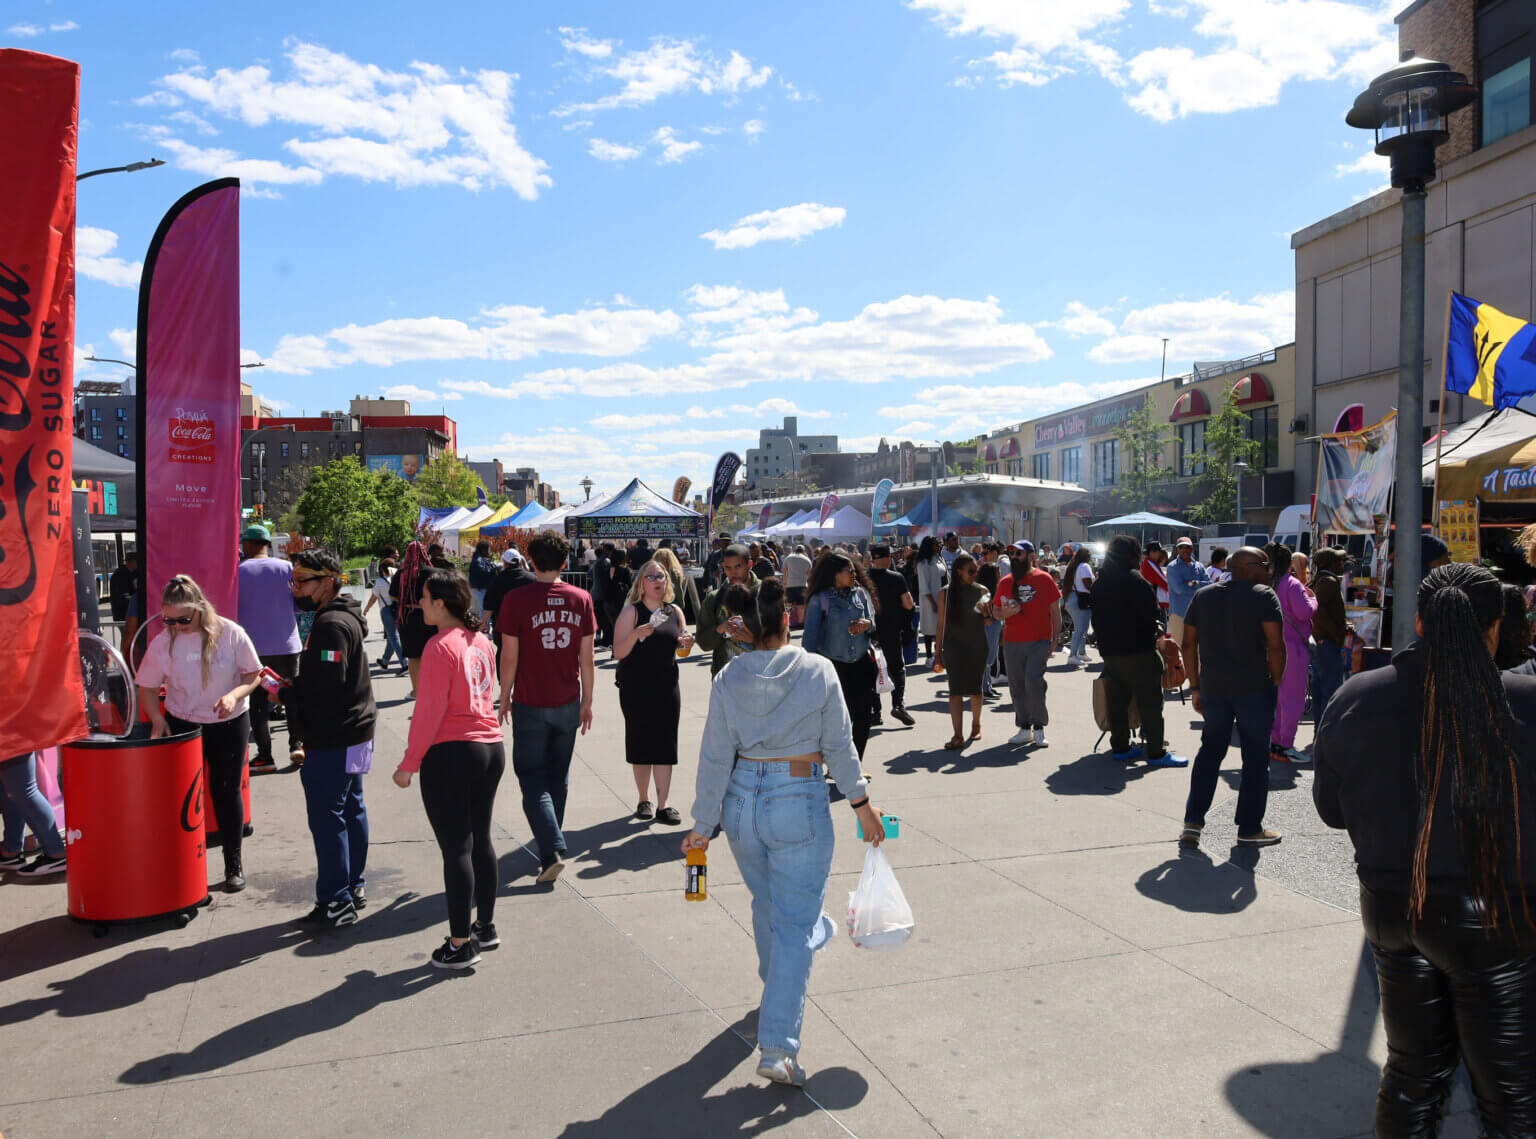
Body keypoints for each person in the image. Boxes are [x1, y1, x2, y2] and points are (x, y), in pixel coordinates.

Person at [1313, 563, 1536, 1135]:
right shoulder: (1524, 701)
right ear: (1496, 627)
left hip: (1389, 909)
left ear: (1417, 620)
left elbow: (1332, 811)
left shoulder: (1355, 696)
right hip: (1495, 916)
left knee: (1413, 1075)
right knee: (1512, 1097)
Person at [684, 579, 886, 1087]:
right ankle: (778, 1045)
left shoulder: (729, 677)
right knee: (796, 922)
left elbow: (714, 757)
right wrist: (861, 804)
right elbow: (840, 745)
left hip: (740, 801)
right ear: (786, 620)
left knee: (766, 905)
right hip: (797, 795)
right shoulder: (816, 670)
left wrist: (702, 825)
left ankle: (774, 989)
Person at [392, 570, 505, 971]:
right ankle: (485, 926)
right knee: (481, 840)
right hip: (490, 747)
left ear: (441, 602)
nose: (418, 604)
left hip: (454, 751)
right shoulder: (482, 642)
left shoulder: (440, 646)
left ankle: (459, 943)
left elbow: (429, 709)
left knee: (457, 847)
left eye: (423, 598)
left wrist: (410, 762)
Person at [137, 574, 263, 891]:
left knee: (226, 790)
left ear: (199, 608)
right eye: (168, 619)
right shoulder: (164, 641)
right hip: (183, 723)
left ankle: (233, 863)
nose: (175, 625)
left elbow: (253, 674)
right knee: (181, 795)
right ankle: (183, 868)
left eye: (182, 619)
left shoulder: (230, 633)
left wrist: (235, 695)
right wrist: (156, 719)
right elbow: (147, 687)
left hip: (229, 722)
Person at [282, 549, 377, 927]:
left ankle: (337, 900)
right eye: (294, 580)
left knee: (329, 816)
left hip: (335, 734)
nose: (296, 588)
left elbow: (326, 682)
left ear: (328, 580)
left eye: (302, 580)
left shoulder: (331, 624)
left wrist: (286, 691)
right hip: (354, 729)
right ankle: (351, 886)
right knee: (351, 807)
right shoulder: (341, 616)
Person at [497, 532, 596, 884]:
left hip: (531, 700)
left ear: (530, 560)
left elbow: (510, 656)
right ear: (566, 563)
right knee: (558, 774)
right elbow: (587, 658)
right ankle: (550, 838)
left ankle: (550, 846)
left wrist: (504, 695)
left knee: (531, 776)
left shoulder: (516, 599)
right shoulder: (581, 598)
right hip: (568, 698)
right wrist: (587, 701)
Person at [1179, 547, 1286, 848]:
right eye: (1266, 566)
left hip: (1214, 688)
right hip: (1254, 688)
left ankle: (1193, 822)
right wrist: (1276, 683)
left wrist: (1196, 686)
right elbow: (1276, 646)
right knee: (1254, 758)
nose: (1269, 572)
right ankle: (1249, 828)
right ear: (1252, 567)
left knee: (1210, 753)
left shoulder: (1204, 595)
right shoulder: (1264, 596)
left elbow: (1188, 644)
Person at [1090, 536, 1187, 769]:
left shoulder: (1100, 583)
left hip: (1110, 653)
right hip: (1139, 652)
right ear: (1132, 555)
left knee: (1117, 701)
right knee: (1151, 703)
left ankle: (1121, 747)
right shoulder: (1137, 581)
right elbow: (1150, 616)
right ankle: (1155, 752)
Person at [613, 560, 695, 824]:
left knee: (665, 745)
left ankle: (664, 804)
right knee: (640, 742)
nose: (658, 581)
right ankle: (643, 799)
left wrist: (686, 643)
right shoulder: (631, 612)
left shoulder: (675, 612)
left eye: (661, 576)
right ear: (641, 583)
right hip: (636, 687)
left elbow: (682, 651)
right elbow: (618, 652)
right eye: (651, 576)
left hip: (666, 685)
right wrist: (636, 634)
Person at [803, 552, 880, 769]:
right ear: (835, 574)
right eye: (850, 571)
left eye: (854, 570)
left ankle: (855, 765)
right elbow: (809, 641)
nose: (855, 573)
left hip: (862, 664)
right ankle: (838, 764)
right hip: (834, 667)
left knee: (864, 715)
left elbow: (873, 623)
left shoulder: (861, 595)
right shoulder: (821, 599)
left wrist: (867, 623)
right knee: (839, 719)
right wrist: (810, 673)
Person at [237, 524, 305, 771]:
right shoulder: (287, 568)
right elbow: (297, 606)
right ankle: (296, 745)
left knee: (257, 703)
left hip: (253, 650)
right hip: (287, 646)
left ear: (250, 544)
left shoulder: (238, 572)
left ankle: (265, 756)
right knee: (292, 697)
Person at [994, 541, 1060, 747]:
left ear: (1031, 555)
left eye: (1019, 553)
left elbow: (1055, 612)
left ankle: (1039, 727)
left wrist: (1055, 639)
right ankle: (1024, 727)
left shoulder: (1044, 578)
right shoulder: (1006, 581)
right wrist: (1005, 613)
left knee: (1033, 682)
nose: (1014, 556)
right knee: (1017, 685)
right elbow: (995, 612)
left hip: (1039, 640)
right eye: (1012, 553)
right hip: (1013, 640)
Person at [1267, 542, 1316, 764]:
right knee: (1293, 700)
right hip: (1292, 649)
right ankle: (1285, 746)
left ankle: (1275, 743)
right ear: (1290, 563)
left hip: (1270, 648)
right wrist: (1313, 599)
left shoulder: (1267, 584)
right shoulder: (1292, 584)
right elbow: (1304, 612)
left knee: (1277, 699)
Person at [935, 553, 990, 748]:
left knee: (975, 689)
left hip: (977, 646)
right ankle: (957, 735)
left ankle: (976, 724)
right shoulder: (945, 593)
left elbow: (990, 621)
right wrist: (937, 652)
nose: (975, 574)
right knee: (955, 691)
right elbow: (941, 623)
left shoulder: (983, 590)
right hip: (953, 647)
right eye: (971, 571)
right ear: (959, 572)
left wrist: (985, 611)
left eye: (977, 571)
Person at [868, 545, 916, 726]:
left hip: (869, 630)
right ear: (888, 558)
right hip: (891, 629)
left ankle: (875, 711)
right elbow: (908, 603)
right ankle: (898, 705)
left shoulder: (863, 578)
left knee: (872, 670)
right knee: (897, 668)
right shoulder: (896, 578)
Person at [0, 752, 68, 875]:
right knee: (8, 788)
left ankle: (56, 853)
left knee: (23, 789)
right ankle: (11, 852)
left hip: (12, 736)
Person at [696, 544, 759, 676]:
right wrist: (719, 629)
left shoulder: (766, 593)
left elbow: (783, 639)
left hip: (763, 679)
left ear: (750, 564)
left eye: (738, 566)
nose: (733, 573)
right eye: (728, 568)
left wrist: (754, 640)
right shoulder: (714, 598)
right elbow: (703, 642)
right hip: (725, 680)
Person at [1309, 548, 1350, 722]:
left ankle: (1320, 732)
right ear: (1331, 564)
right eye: (1339, 561)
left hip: (1321, 643)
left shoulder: (1321, 580)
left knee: (1320, 691)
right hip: (1326, 643)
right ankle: (1326, 733)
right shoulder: (1328, 581)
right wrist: (1336, 633)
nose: (1342, 565)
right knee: (1330, 692)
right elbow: (1317, 612)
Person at [396, 542, 435, 692]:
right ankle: (432, 688)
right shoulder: (433, 572)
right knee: (432, 654)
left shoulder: (401, 574)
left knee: (414, 657)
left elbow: (393, 595)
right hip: (430, 616)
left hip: (408, 618)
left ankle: (417, 690)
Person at [482, 546, 536, 649]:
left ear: (505, 562)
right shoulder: (531, 579)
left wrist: (484, 622)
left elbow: (489, 603)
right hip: (527, 625)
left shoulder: (498, 580)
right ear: (520, 561)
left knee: (502, 653)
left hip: (502, 625)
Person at [362, 556, 405, 674]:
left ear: (382, 569)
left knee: (394, 636)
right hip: (398, 609)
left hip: (386, 611)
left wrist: (366, 609)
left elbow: (373, 598)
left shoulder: (380, 582)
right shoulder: (398, 579)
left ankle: (405, 663)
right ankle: (385, 661)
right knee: (392, 637)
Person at [1165, 537, 1209, 647]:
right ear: (1177, 550)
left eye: (1187, 547)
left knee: (1198, 648)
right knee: (1179, 647)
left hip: (1198, 613)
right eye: (1181, 547)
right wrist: (1200, 585)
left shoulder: (1200, 566)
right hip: (1179, 614)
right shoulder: (1172, 567)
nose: (1184, 549)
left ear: (1192, 548)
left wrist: (1191, 583)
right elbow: (1179, 590)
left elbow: (1210, 584)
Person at [1061, 545, 1096, 668]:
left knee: (1081, 628)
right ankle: (1073, 655)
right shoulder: (1085, 566)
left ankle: (1081, 653)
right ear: (1087, 557)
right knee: (1081, 629)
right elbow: (1088, 584)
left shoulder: (1075, 566)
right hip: (1080, 599)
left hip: (1072, 598)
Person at [914, 536, 946, 664]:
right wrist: (933, 603)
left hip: (942, 597)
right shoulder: (923, 563)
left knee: (941, 627)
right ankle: (928, 657)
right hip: (930, 600)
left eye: (940, 544)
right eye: (936, 544)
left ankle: (939, 654)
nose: (939, 546)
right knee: (929, 628)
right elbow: (924, 586)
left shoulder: (939, 558)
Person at [653, 545, 701, 626]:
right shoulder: (675, 573)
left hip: (655, 608)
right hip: (671, 608)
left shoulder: (652, 573)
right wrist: (681, 606)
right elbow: (679, 593)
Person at [467, 539, 499, 618]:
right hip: (480, 590)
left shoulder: (478, 559)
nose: (490, 552)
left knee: (478, 613)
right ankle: (482, 629)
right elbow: (485, 571)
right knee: (482, 613)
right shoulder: (478, 560)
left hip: (478, 590)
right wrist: (495, 567)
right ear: (484, 550)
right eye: (489, 549)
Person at [783, 544, 812, 627]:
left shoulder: (788, 558)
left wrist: (785, 583)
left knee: (788, 605)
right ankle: (800, 623)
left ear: (794, 550)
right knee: (801, 606)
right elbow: (809, 575)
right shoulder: (807, 559)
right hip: (802, 585)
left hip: (790, 585)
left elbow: (784, 571)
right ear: (804, 551)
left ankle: (787, 623)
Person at [1141, 543, 1170, 618]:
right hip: (1155, 604)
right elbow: (1165, 582)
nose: (1160, 554)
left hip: (1150, 603)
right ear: (1151, 552)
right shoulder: (1149, 564)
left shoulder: (1148, 563)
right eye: (1159, 552)